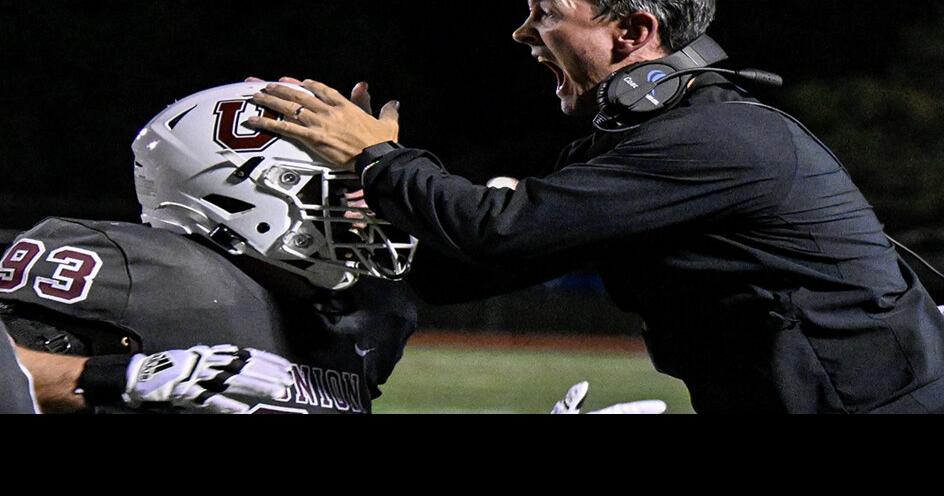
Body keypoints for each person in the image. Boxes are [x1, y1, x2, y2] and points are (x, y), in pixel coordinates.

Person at [246, 0, 944, 414]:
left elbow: (500, 232)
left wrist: (381, 159)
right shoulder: (641, 152)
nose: (523, 33)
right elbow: (467, 270)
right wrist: (372, 204)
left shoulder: (719, 139)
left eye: (545, 13)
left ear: (632, 31)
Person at [0, 81, 419, 414]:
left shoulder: (369, 310)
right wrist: (122, 376)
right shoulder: (135, 270)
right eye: (335, 195)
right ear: (235, 193)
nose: (360, 217)